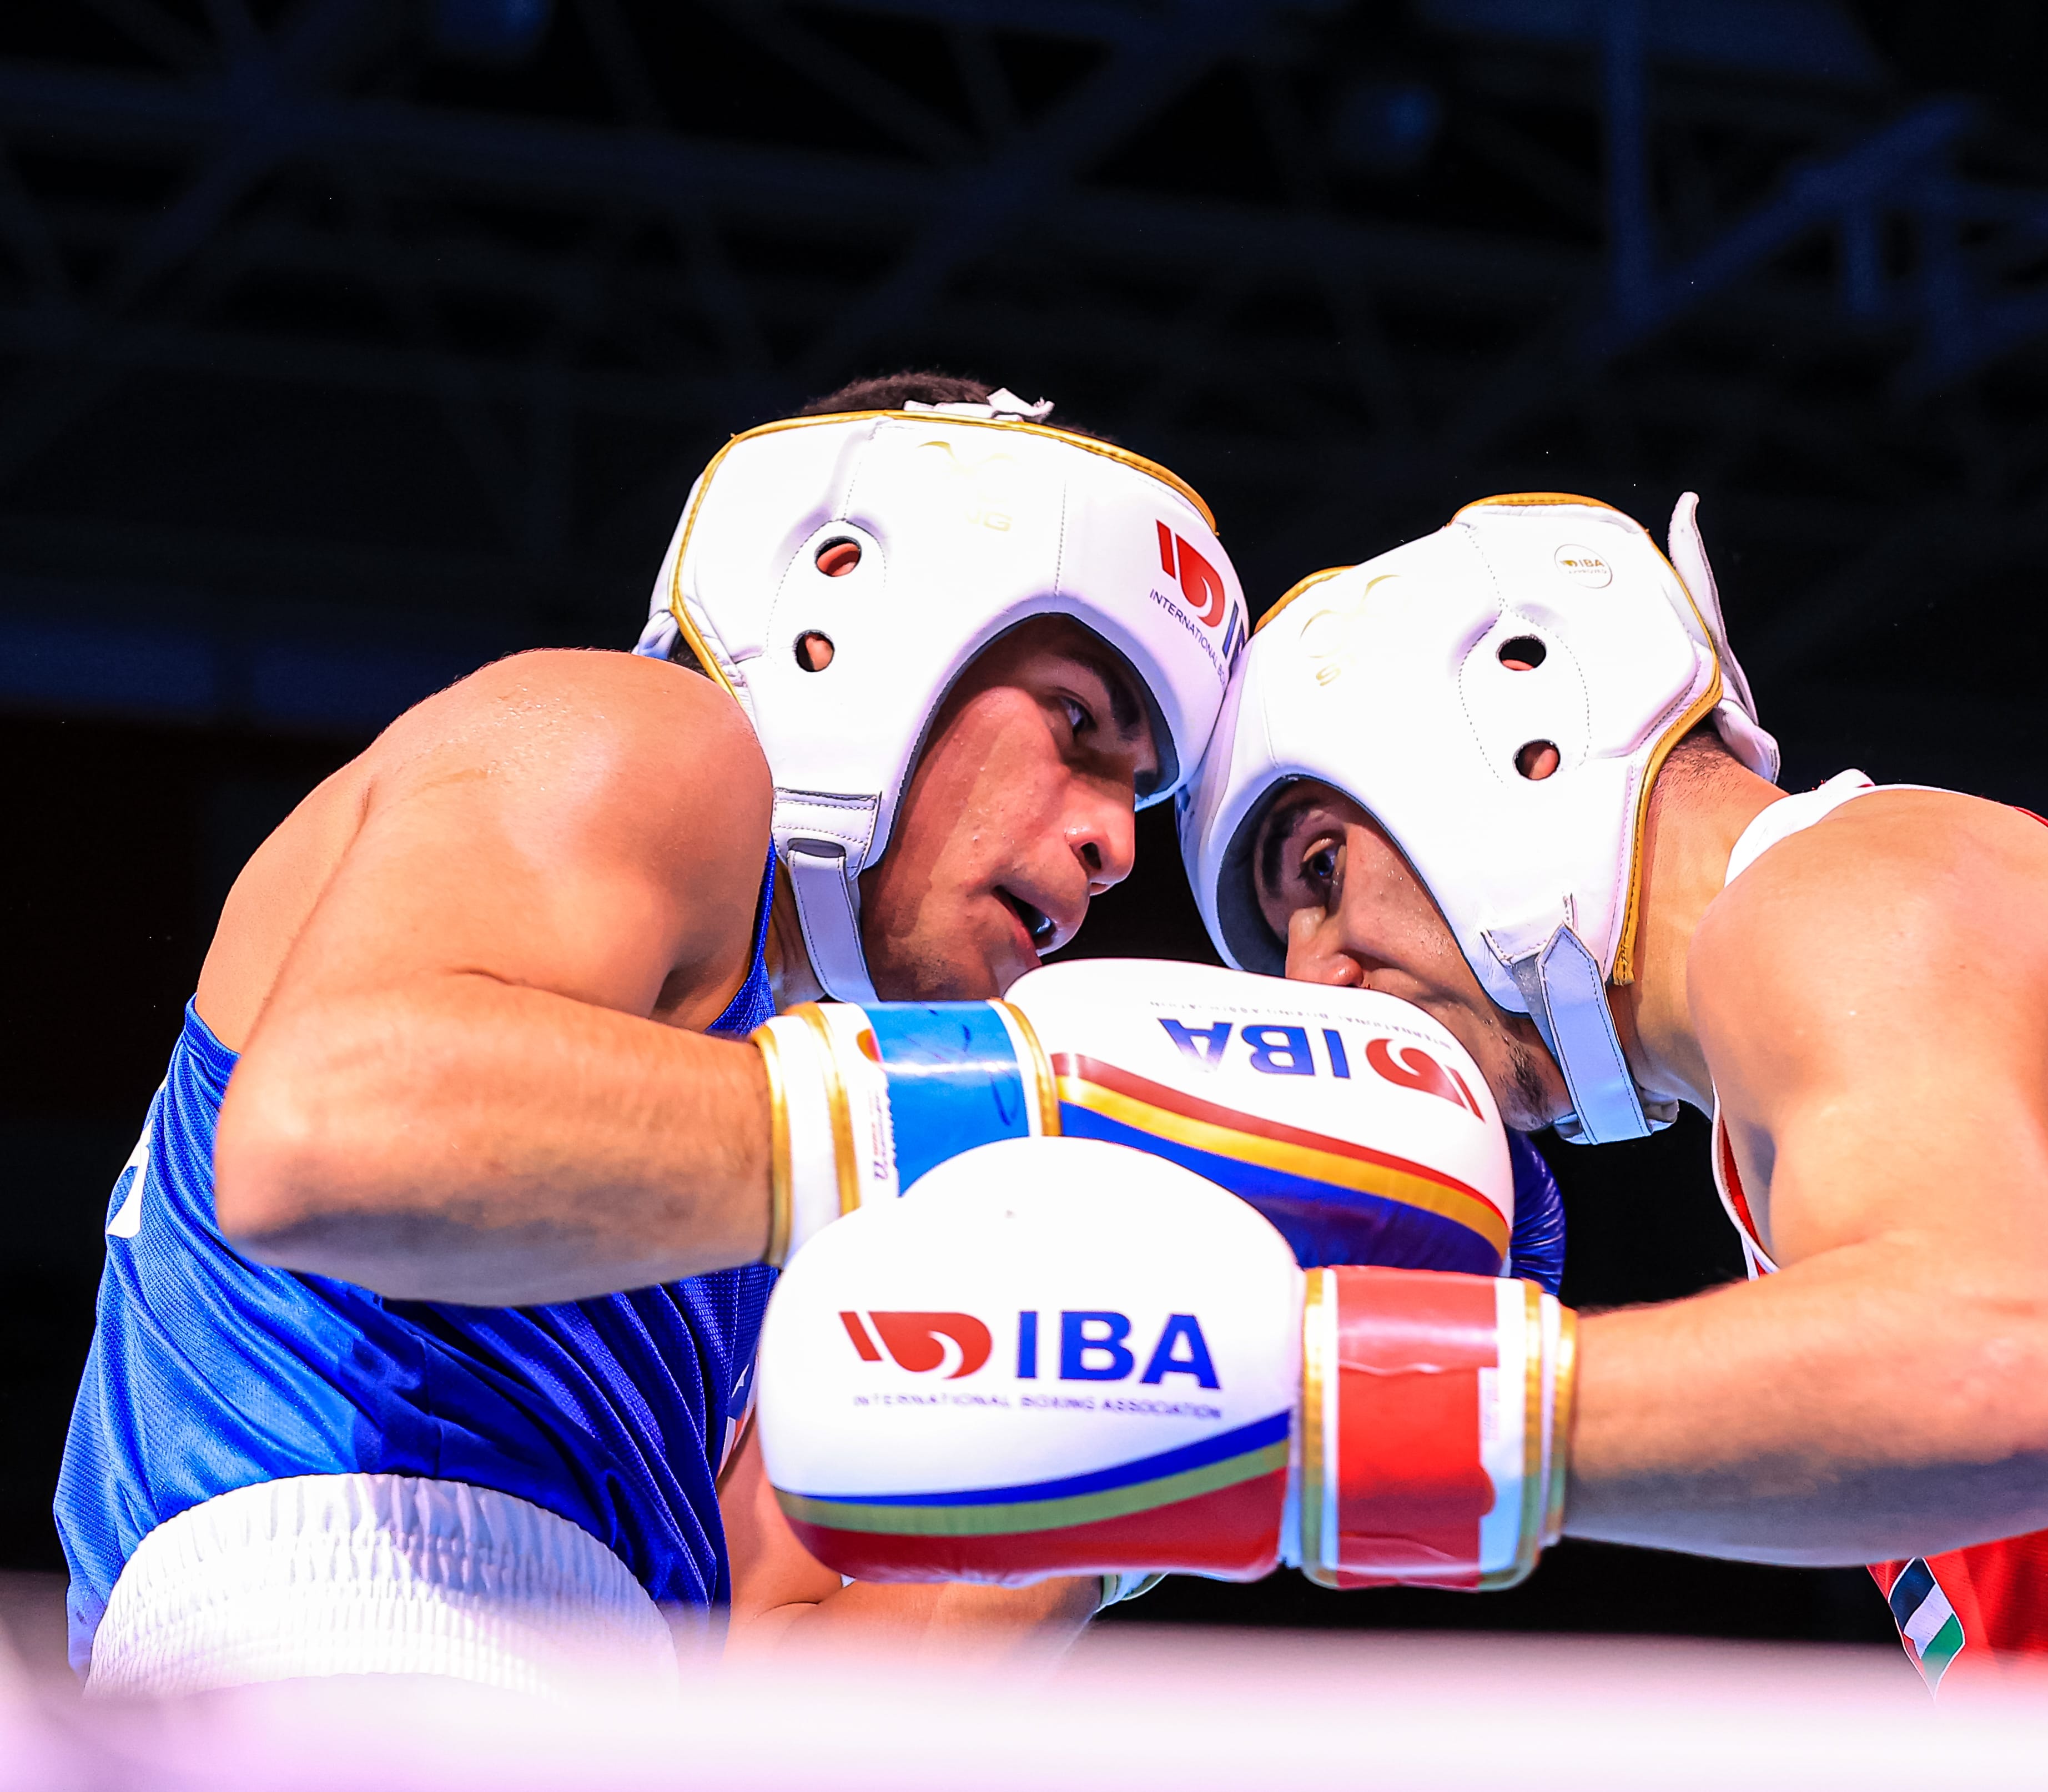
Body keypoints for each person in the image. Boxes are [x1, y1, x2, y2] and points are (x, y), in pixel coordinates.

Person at [776, 489, 2048, 1740]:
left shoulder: (1859, 894)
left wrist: (1311, 1407)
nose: (1320, 974)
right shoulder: (1813, 1083)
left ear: (1516, 710)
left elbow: (1999, 1380)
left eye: (1327, 867)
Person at [53, 374, 1247, 1694]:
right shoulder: (636, 734)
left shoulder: (770, 1150)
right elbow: (329, 1132)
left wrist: (1182, 1461)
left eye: (1140, 790)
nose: (1114, 840)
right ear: (856, 603)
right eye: (1076, 723)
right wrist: (1021, 1107)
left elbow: (763, 1703)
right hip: (325, 1644)